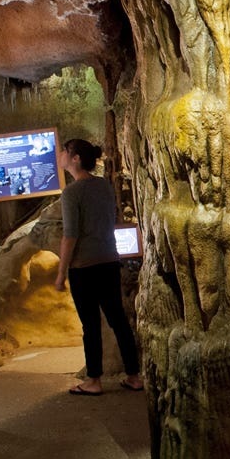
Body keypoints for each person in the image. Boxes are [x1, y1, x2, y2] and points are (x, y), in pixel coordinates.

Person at [53, 138, 142, 396]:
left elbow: (70, 235)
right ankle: (134, 375)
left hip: (84, 267)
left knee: (90, 325)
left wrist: (61, 273)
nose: (60, 155)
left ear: (75, 158)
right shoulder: (103, 186)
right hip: (109, 261)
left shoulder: (72, 192)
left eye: (65, 151)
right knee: (119, 321)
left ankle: (94, 380)